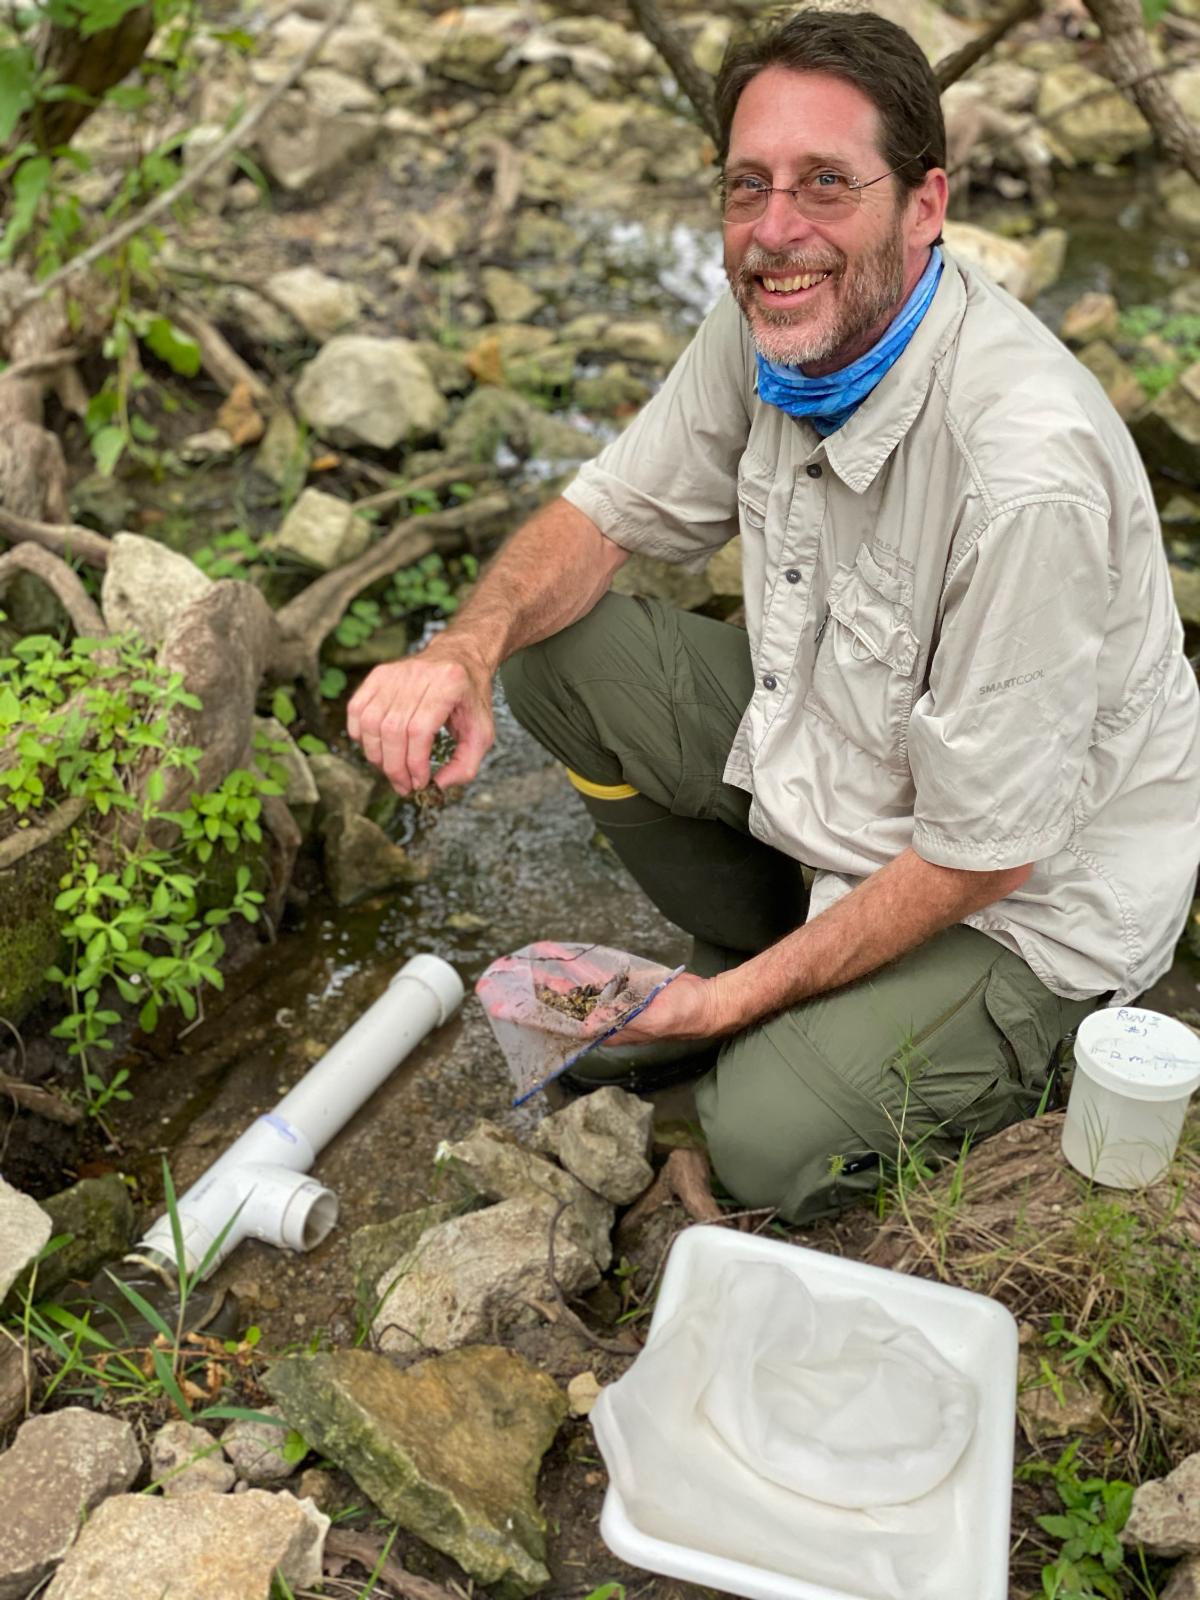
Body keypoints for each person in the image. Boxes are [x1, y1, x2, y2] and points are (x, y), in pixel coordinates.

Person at [347, 9, 1200, 1221]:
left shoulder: (1026, 475)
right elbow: (606, 515)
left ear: (924, 206)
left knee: (753, 1137)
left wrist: (721, 1008)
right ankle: (773, 952)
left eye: (825, 185)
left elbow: (986, 851)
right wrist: (461, 649)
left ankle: (887, 1023)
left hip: (1033, 907)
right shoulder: (774, 325)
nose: (775, 232)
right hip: (865, 771)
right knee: (553, 652)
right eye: (749, 187)